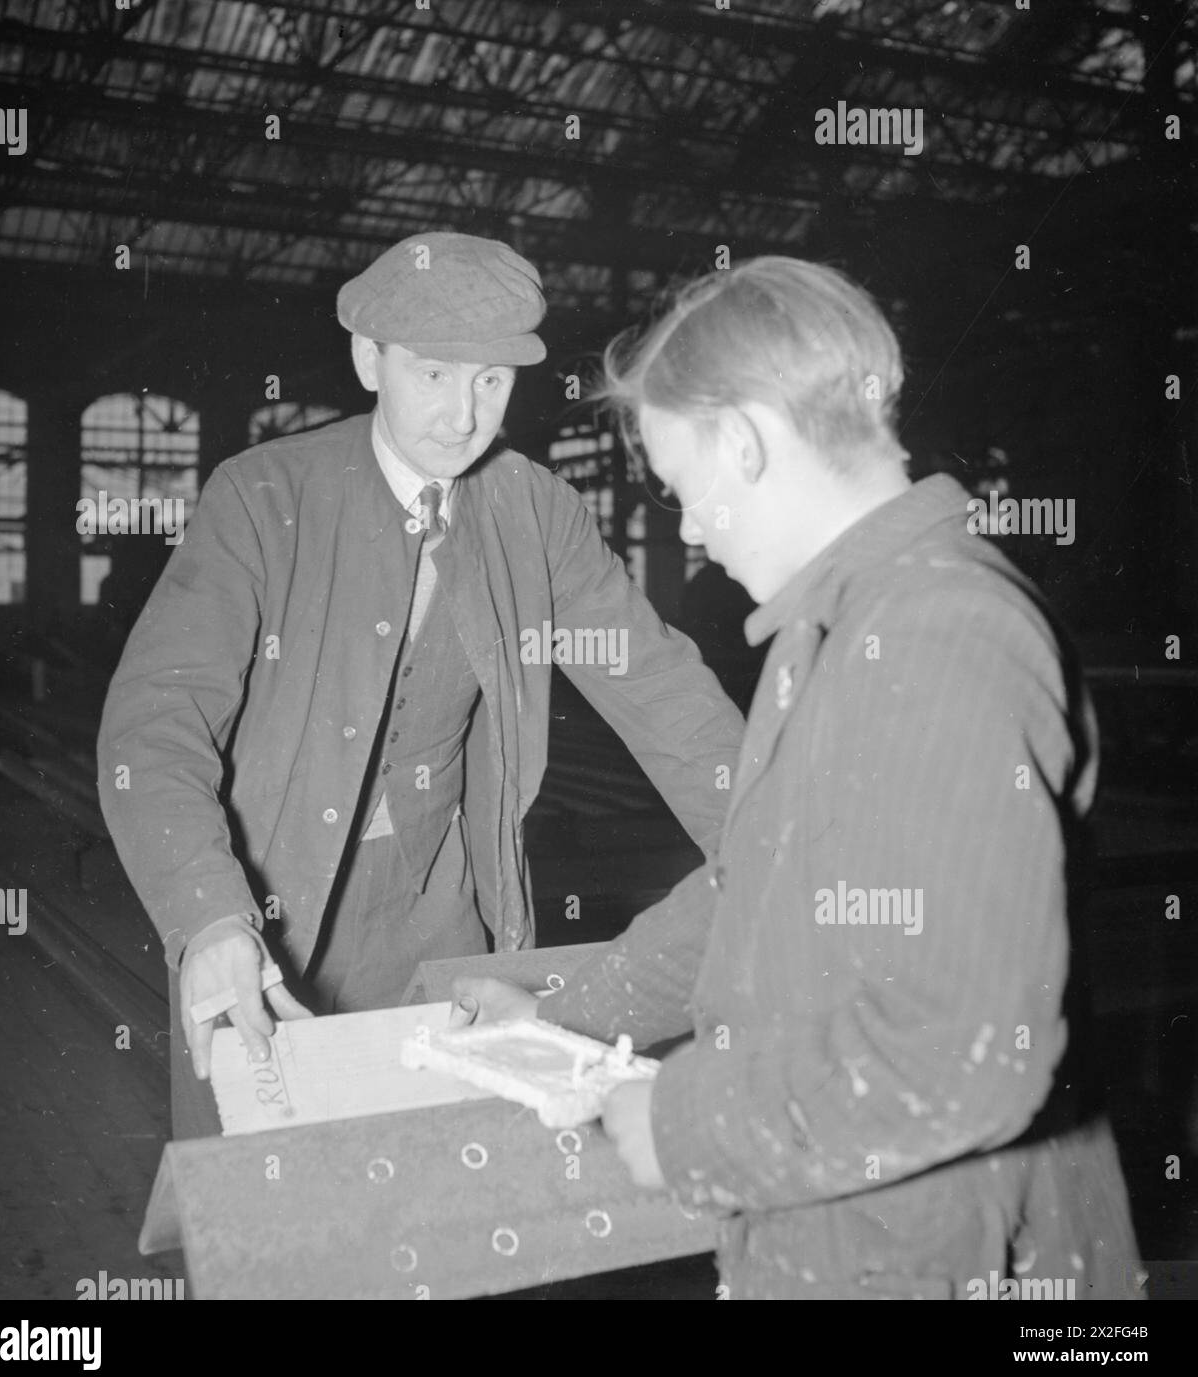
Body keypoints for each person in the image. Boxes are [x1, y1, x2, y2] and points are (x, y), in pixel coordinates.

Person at [454, 256, 1144, 1300]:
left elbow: (966, 1051)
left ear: (746, 441)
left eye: (685, 490)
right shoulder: (839, 624)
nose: (685, 529)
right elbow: (752, 884)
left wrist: (686, 1124)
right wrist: (563, 1025)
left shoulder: (939, 632)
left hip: (938, 1254)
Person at [97, 232, 744, 1138]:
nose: (461, 415)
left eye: (491, 381)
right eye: (434, 374)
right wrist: (207, 920)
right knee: (275, 1209)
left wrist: (777, 851)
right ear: (370, 359)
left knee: (447, 1178)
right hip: (266, 918)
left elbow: (666, 693)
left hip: (446, 912)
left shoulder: (536, 513)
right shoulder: (262, 497)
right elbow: (156, 724)